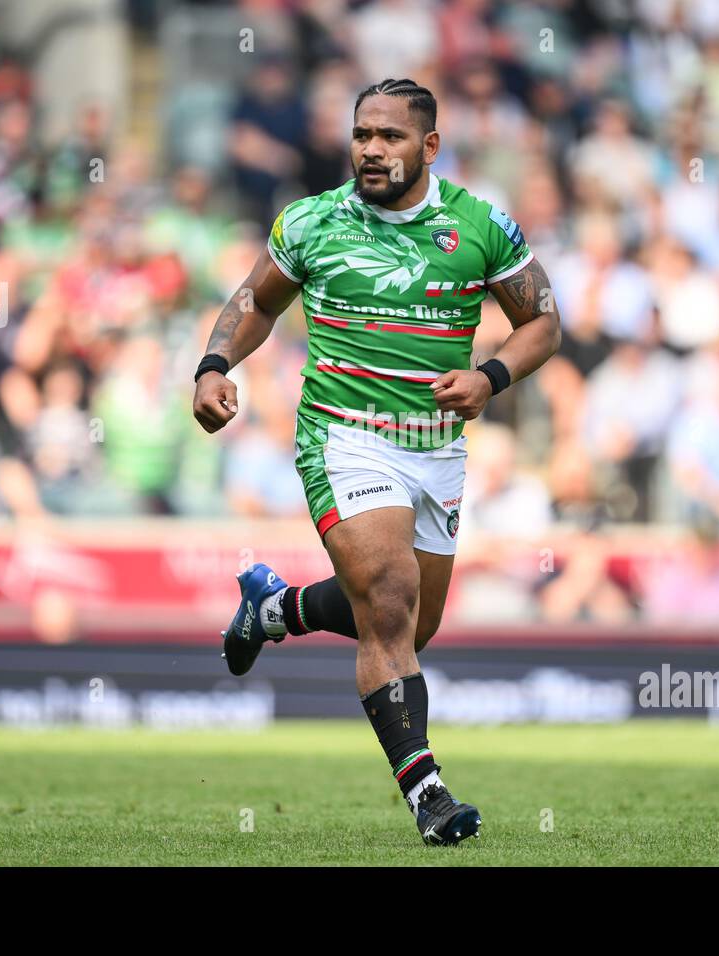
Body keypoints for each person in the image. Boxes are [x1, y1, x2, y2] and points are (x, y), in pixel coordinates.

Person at [192, 78, 561, 846]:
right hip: (344, 435)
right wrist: (215, 363)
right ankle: (430, 796)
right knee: (387, 600)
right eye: (363, 134)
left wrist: (491, 377)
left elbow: (543, 323)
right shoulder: (313, 220)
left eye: (391, 137)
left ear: (429, 146)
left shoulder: (480, 225)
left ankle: (275, 609)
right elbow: (257, 302)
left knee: (409, 629)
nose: (371, 149)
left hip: (437, 449)